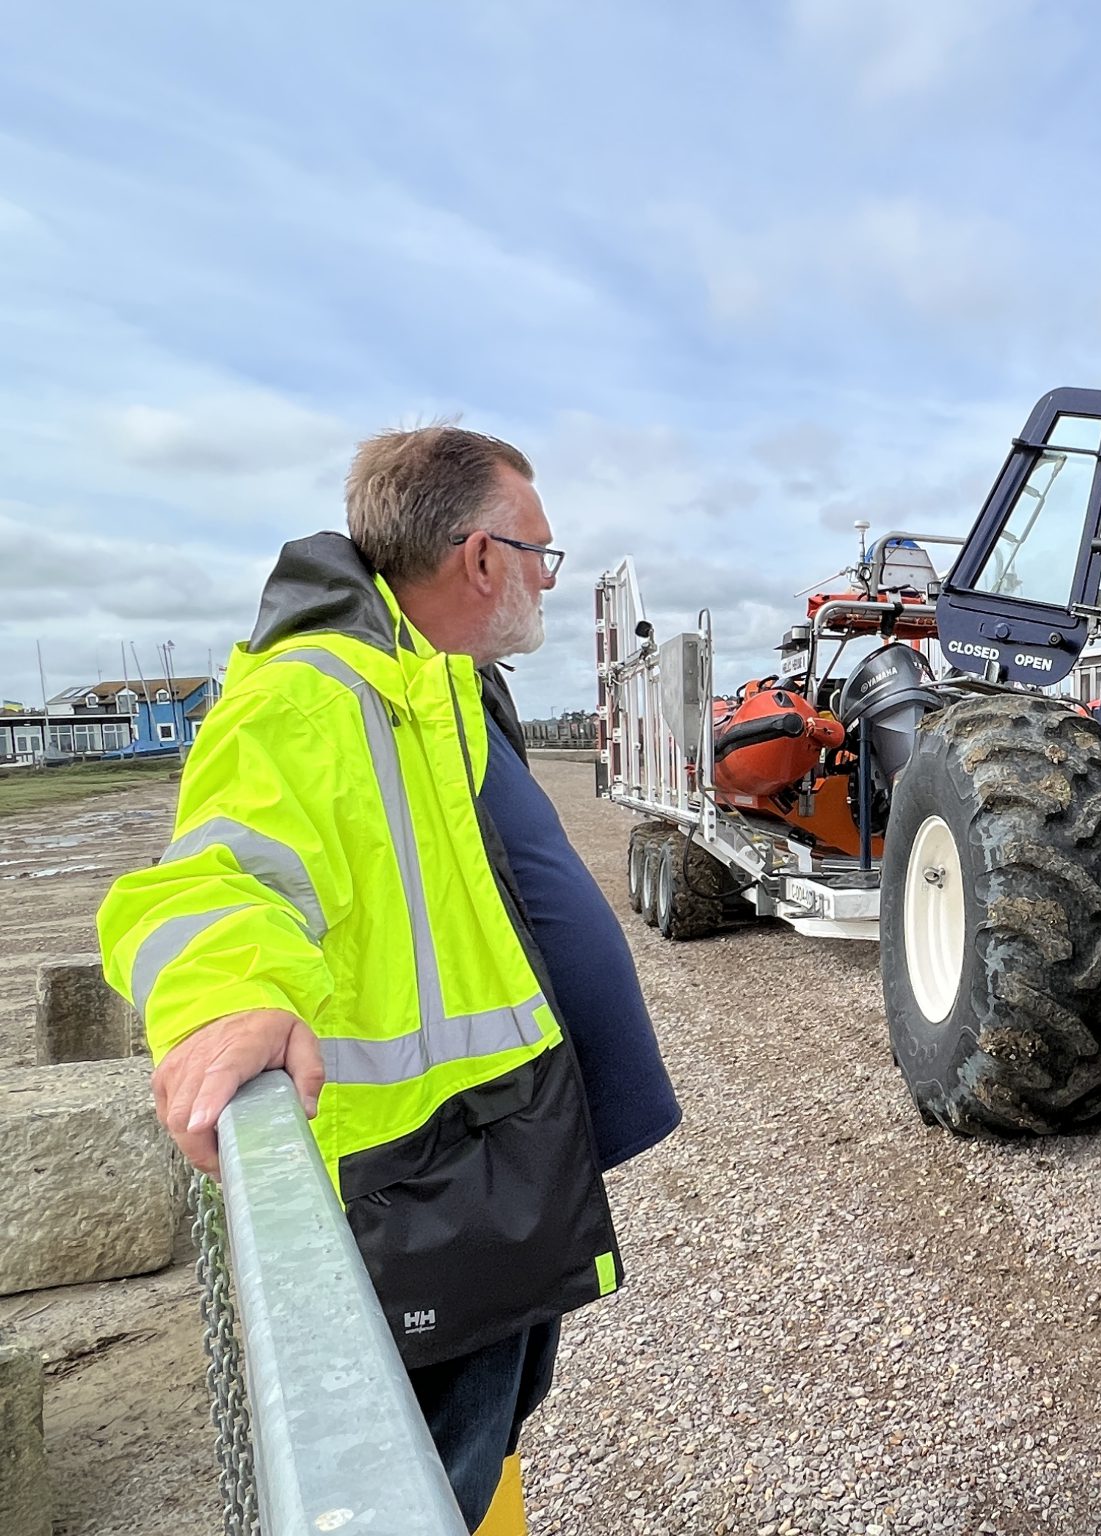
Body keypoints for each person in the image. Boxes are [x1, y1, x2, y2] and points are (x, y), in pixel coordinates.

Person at [97, 426, 679, 1530]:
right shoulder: (313, 698)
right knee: (423, 1487)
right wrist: (227, 997)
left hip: (491, 1159)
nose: (548, 577)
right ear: (477, 556)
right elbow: (209, 876)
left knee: (483, 1443)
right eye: (539, 551)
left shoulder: (432, 685)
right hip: (417, 1189)